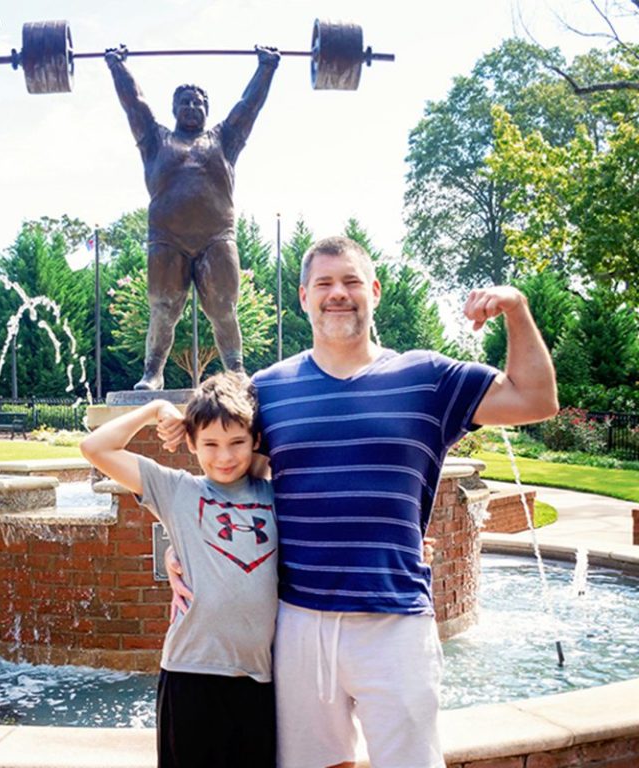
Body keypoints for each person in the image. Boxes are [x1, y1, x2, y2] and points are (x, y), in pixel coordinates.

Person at [161, 236, 558, 768]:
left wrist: (516, 308)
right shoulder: (267, 390)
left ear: (374, 290)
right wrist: (183, 546)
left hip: (394, 619)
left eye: (350, 281)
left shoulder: (429, 378)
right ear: (303, 297)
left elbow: (536, 399)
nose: (337, 294)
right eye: (323, 283)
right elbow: (230, 481)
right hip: (297, 618)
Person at [80, 372, 278, 768]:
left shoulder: (275, 494)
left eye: (237, 442)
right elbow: (95, 447)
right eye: (210, 444)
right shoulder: (178, 490)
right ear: (190, 442)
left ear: (255, 441)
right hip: (191, 673)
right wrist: (153, 410)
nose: (225, 456)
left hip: (257, 680)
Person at [105, 45, 280, 390]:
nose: (191, 107)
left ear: (206, 110)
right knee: (163, 308)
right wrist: (117, 66)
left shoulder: (224, 140)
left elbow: (248, 107)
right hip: (167, 238)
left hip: (217, 237)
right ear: (174, 109)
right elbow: (134, 103)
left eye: (198, 102)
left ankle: (236, 371)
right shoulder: (155, 140)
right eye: (184, 102)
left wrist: (267, 67)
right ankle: (153, 373)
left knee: (223, 309)